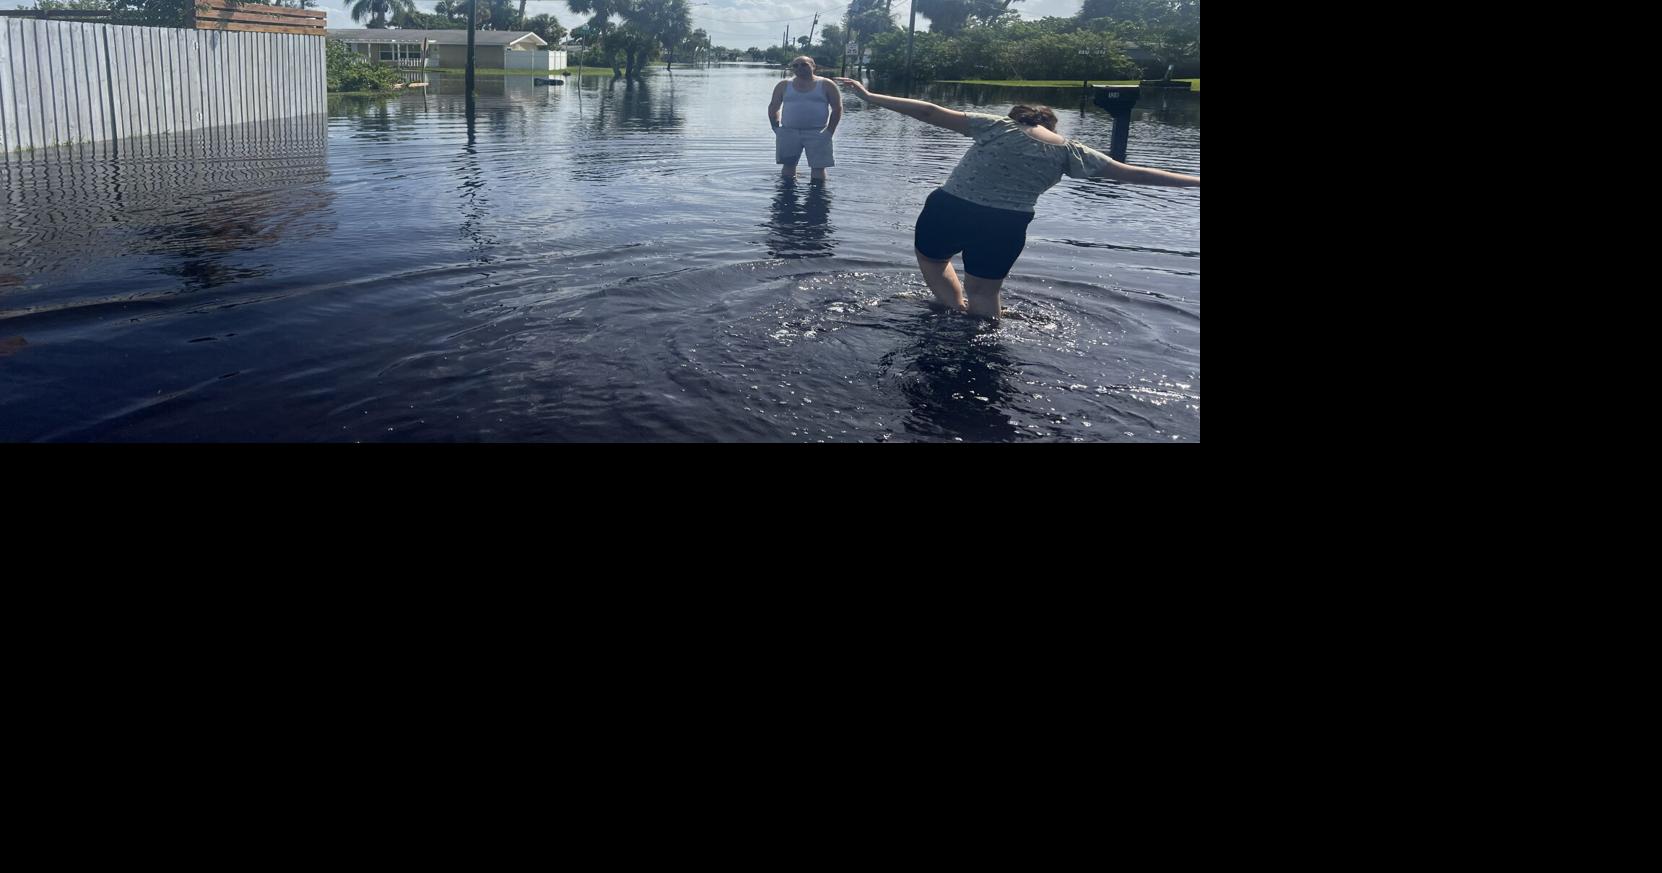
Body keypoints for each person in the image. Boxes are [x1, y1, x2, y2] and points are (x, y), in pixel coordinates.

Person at [831, 78, 1199, 321]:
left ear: (1018, 118)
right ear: (1051, 126)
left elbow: (928, 111)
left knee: (932, 259)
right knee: (986, 291)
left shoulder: (997, 126)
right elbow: (1134, 173)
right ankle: (983, 331)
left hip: (952, 208)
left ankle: (950, 307)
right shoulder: (1071, 151)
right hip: (1007, 224)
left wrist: (868, 95)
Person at [768, 57, 843, 182]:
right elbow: (773, 107)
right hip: (789, 131)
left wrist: (830, 131)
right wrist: (776, 128)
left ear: (813, 66)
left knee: (818, 168)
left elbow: (837, 109)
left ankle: (818, 196)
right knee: (788, 166)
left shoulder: (826, 84)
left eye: (804, 65)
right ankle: (787, 195)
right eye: (795, 66)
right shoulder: (784, 85)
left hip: (818, 132)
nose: (799, 68)